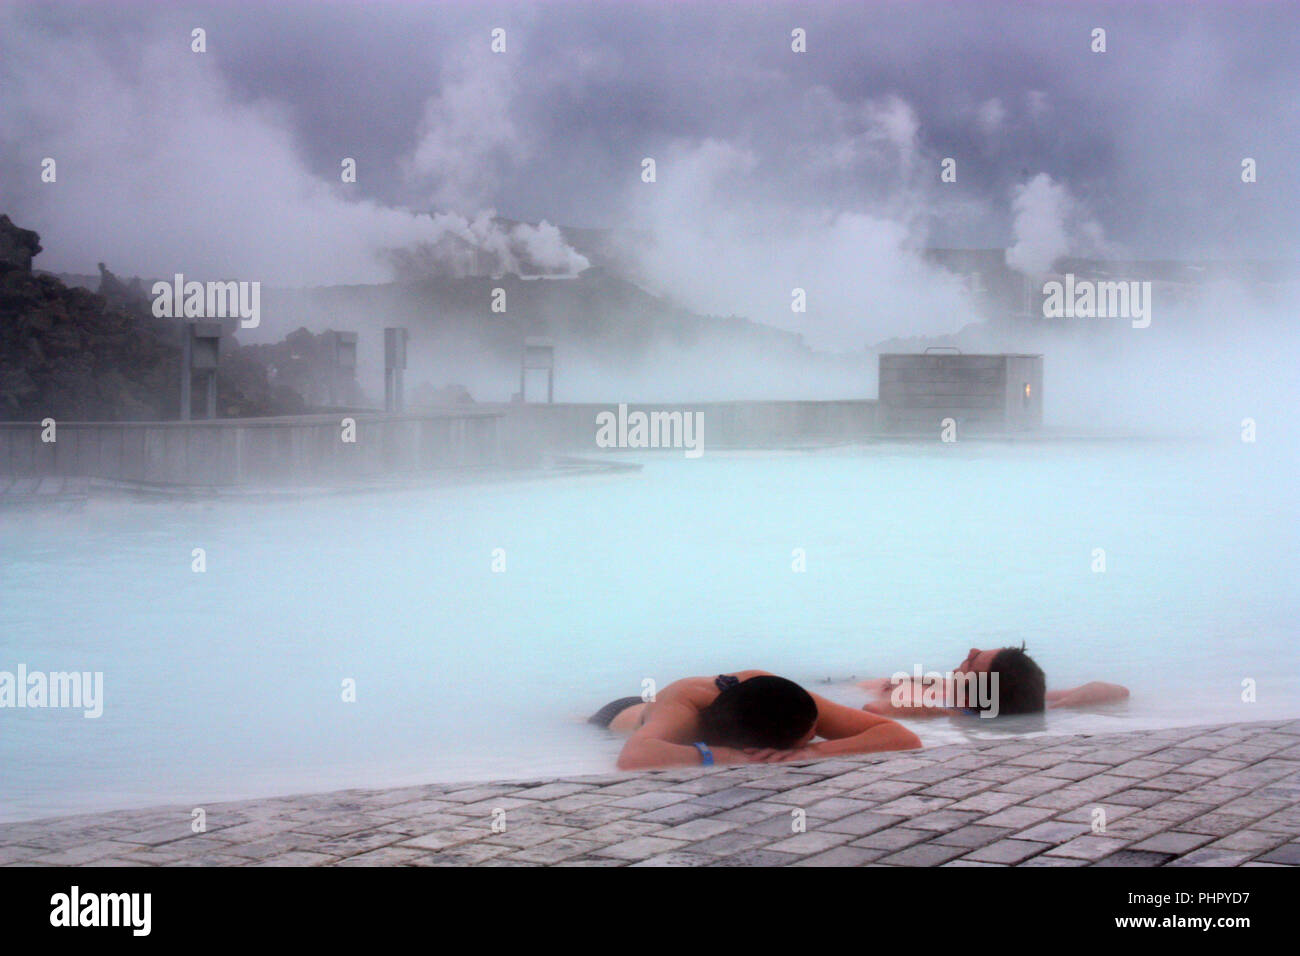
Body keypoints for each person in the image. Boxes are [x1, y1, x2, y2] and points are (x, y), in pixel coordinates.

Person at [591, 669, 921, 770]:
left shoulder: (780, 696)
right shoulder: (684, 707)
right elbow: (633, 757)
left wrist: (812, 753)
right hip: (616, 715)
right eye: (809, 737)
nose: (816, 734)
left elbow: (902, 738)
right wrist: (726, 756)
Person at [858, 645, 1129, 718]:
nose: (971, 650)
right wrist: (1055, 706)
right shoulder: (1019, 697)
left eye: (973, 662)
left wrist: (957, 713)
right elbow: (1117, 691)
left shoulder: (940, 706)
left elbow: (875, 709)